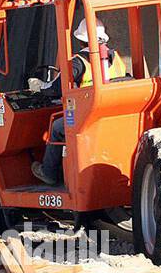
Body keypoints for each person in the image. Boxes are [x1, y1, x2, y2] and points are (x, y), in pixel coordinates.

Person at [30, 21, 126, 186]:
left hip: (86, 118)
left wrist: (38, 87)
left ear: (81, 41)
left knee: (57, 127)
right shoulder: (116, 57)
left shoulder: (78, 62)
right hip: (112, 115)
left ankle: (49, 172)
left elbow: (55, 89)